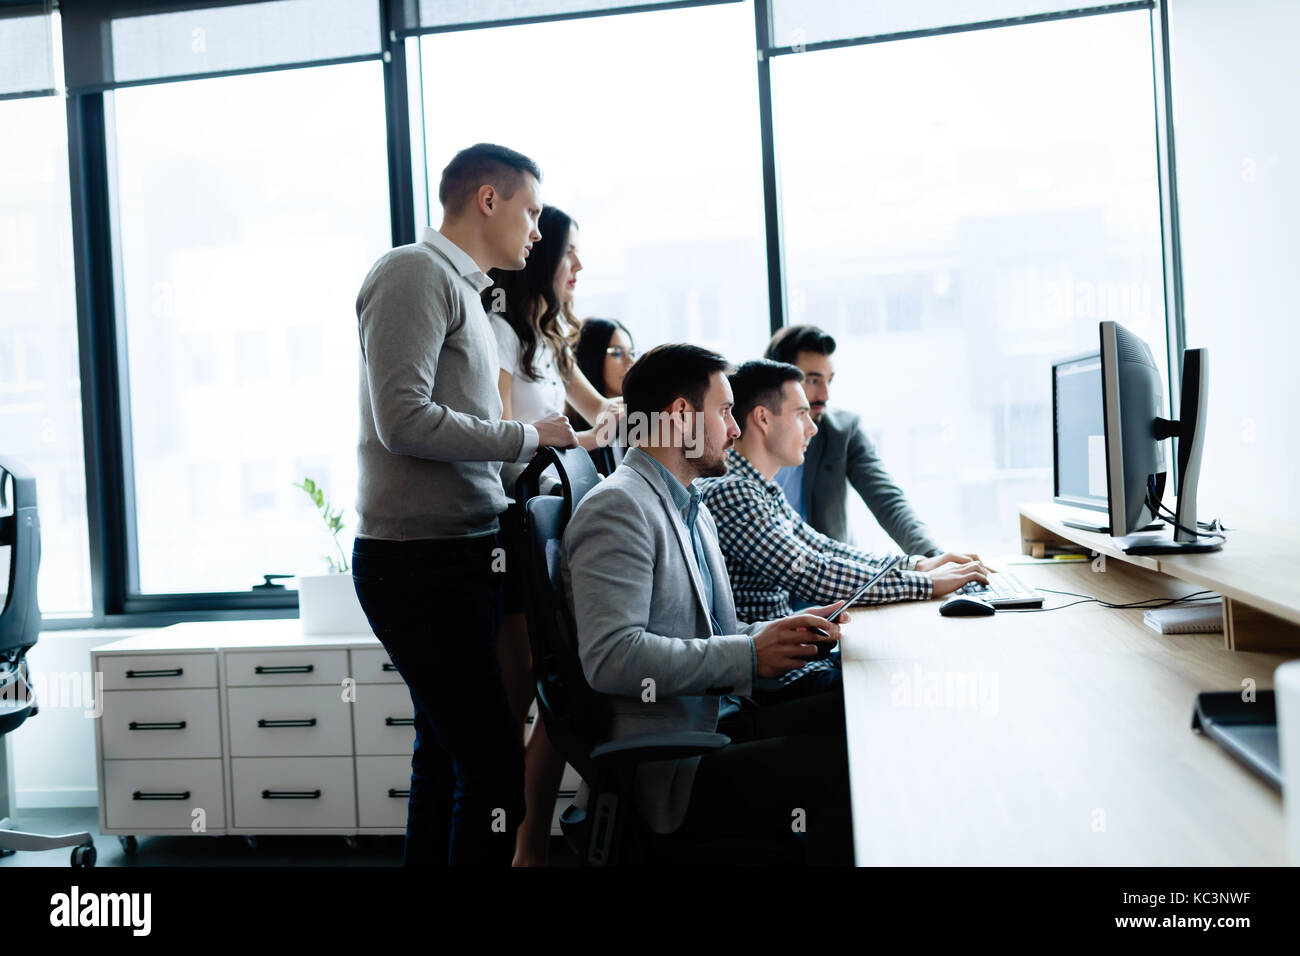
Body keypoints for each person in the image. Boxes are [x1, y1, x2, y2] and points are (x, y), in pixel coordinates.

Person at [350, 143, 577, 867]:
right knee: (491, 769)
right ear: (488, 200)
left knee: (445, 761)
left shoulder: (472, 297)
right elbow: (403, 420)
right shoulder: (412, 273)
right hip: (419, 564)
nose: (538, 233)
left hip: (465, 551)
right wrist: (524, 435)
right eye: (531, 212)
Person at [562, 343, 859, 865]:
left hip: (720, 723)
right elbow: (612, 658)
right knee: (844, 764)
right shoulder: (619, 506)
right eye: (724, 412)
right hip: (676, 764)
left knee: (852, 716)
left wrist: (779, 634)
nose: (736, 429)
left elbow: (717, 630)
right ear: (681, 416)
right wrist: (747, 655)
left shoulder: (692, 506)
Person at [699, 360, 990, 701]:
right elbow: (813, 572)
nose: (812, 428)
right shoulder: (732, 490)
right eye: (800, 414)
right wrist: (926, 585)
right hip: (768, 685)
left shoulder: (759, 488)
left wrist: (914, 565)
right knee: (895, 683)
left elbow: (825, 549)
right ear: (763, 418)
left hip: (794, 668)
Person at [482, 204, 620, 866]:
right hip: (513, 533)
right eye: (569, 254)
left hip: (557, 529)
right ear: (542, 261)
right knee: (521, 695)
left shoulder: (551, 341)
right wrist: (557, 438)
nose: (578, 266)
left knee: (560, 688)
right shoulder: (502, 338)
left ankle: (527, 845)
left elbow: (601, 418)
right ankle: (514, 846)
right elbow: (503, 444)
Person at [764, 325, 978, 563]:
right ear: (779, 383)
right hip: (771, 579)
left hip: (833, 574)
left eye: (829, 380)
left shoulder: (842, 430)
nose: (825, 395)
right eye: (813, 380)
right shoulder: (742, 437)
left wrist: (933, 556)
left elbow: (887, 500)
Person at [568, 317, 637, 429]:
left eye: (632, 353)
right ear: (592, 359)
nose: (631, 362)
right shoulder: (568, 432)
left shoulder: (638, 423)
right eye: (617, 353)